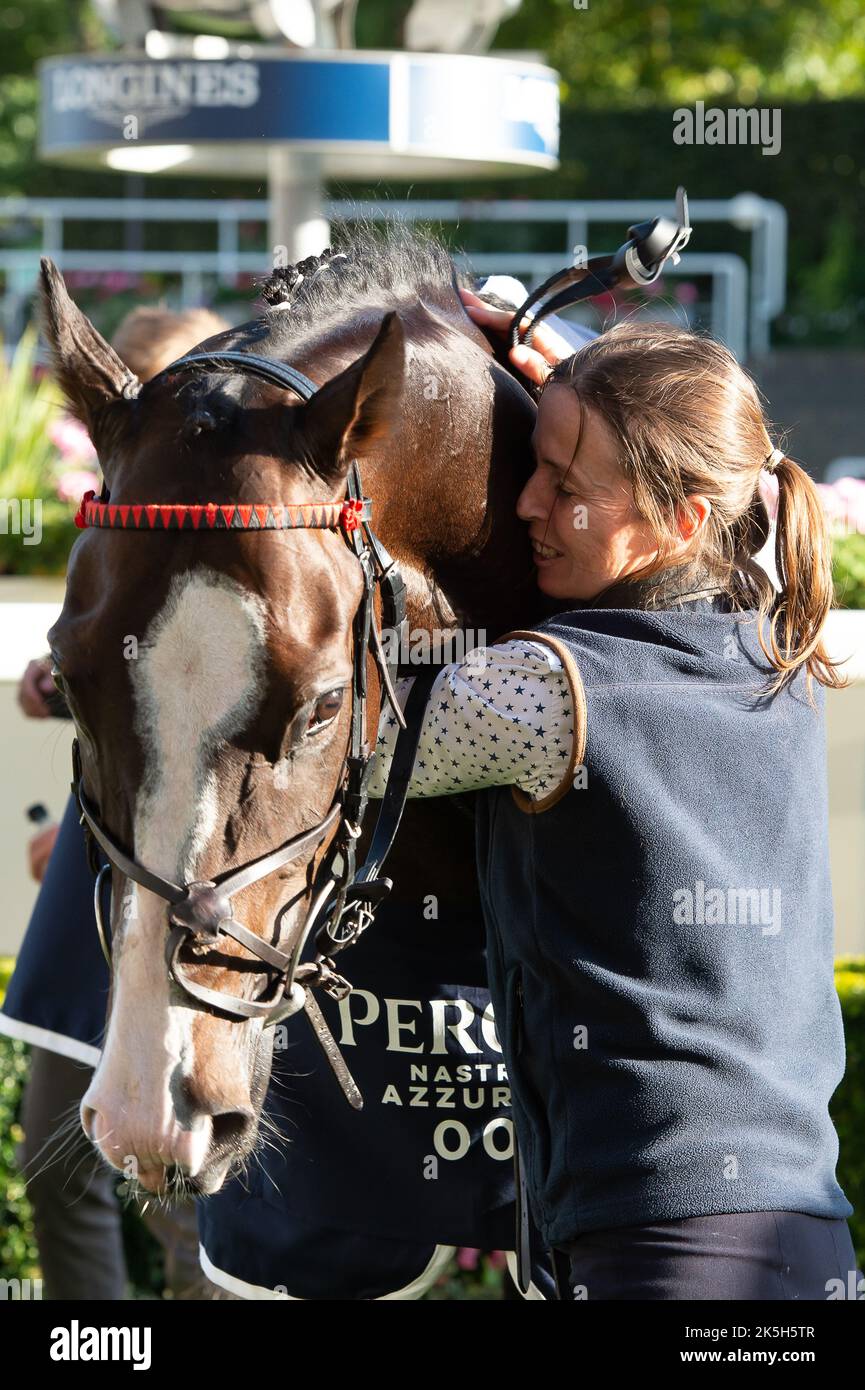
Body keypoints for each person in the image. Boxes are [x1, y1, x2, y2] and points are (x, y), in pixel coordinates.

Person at [363, 287, 863, 1300]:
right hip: (803, 1235)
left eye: (562, 483)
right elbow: (740, 481)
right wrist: (576, 367)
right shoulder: (773, 634)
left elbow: (309, 737)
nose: (523, 506)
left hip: (663, 1253)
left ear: (678, 519)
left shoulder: (543, 689)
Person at [7, 303, 230, 1300]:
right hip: (104, 861)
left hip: (212, 889)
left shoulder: (250, 528)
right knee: (58, 1158)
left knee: (198, 1181)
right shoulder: (124, 514)